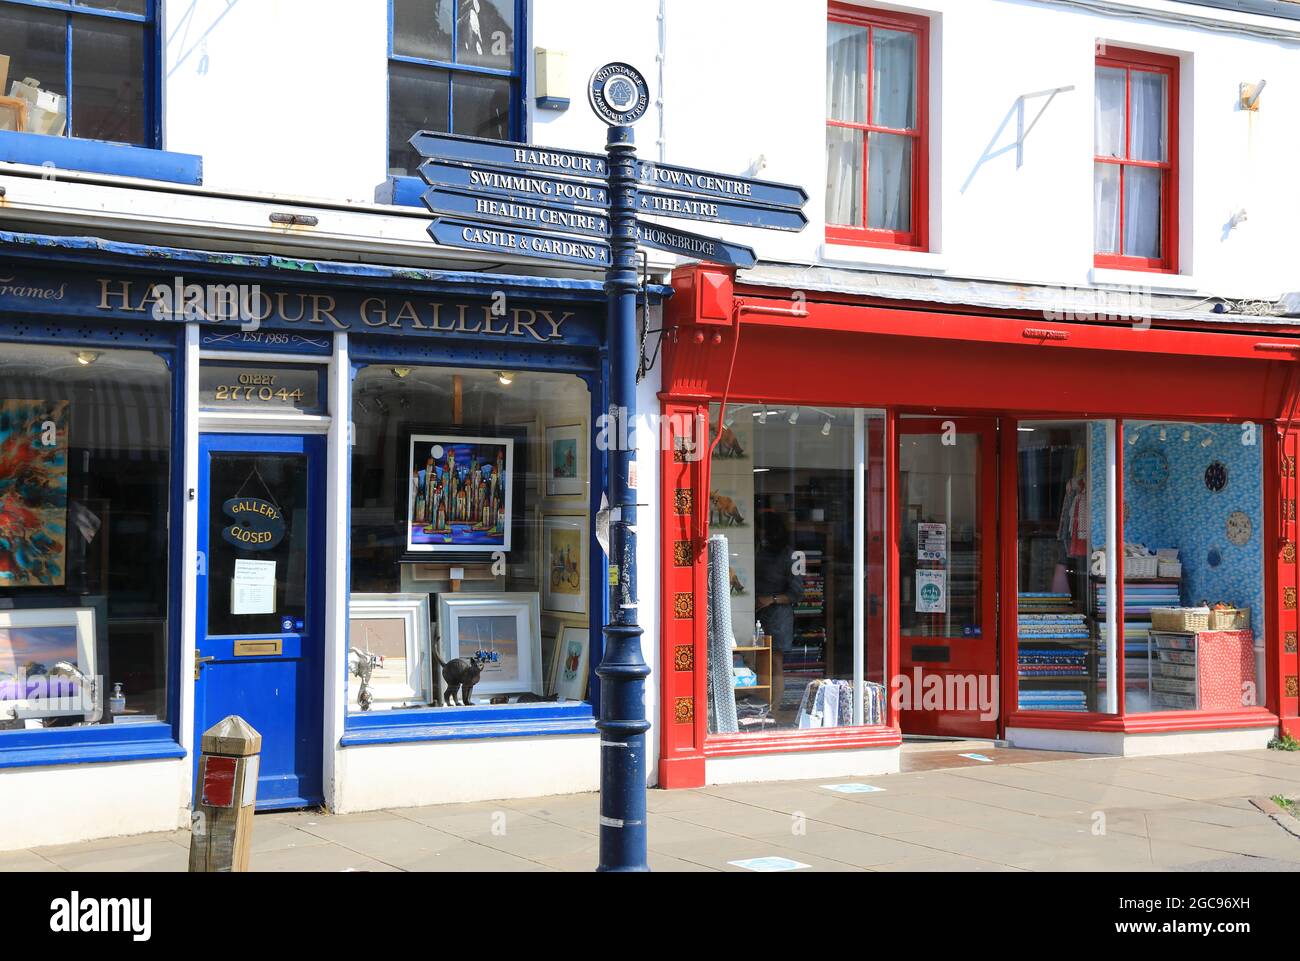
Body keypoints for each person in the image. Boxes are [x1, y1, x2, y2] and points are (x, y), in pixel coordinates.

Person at [754, 514, 804, 703]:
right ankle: (759, 707)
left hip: (777, 616)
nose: (759, 532)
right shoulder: (758, 549)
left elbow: (798, 593)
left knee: (775, 662)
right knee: (755, 661)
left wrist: (772, 599)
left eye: (762, 528)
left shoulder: (789, 555)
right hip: (756, 612)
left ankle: (774, 708)